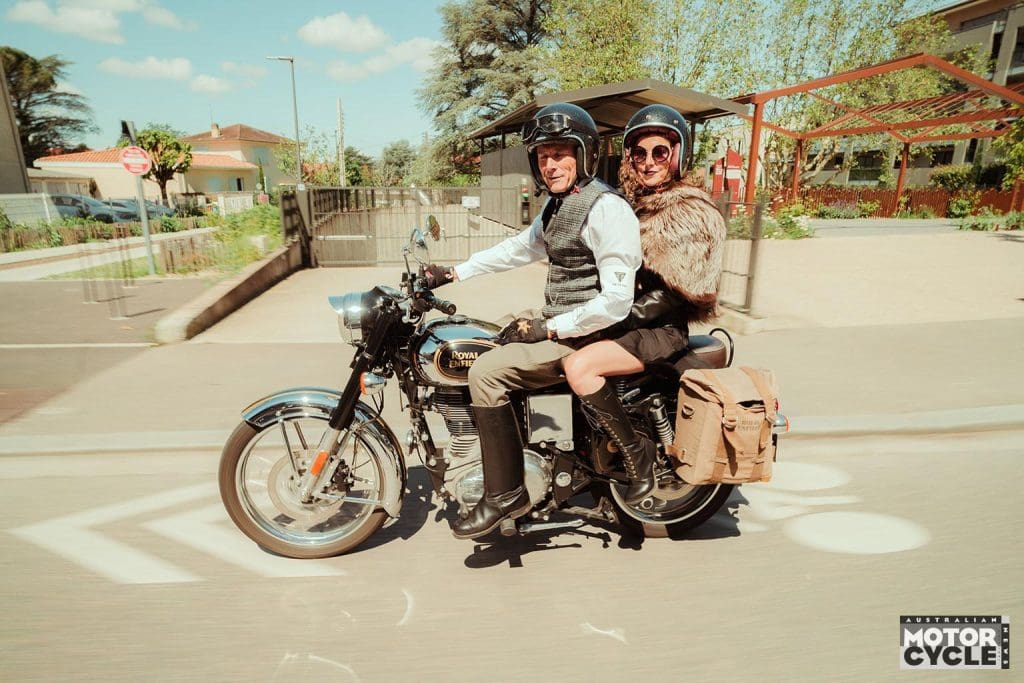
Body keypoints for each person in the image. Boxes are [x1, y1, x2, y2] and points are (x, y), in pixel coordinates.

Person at [423, 102, 642, 540]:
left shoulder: (606, 209)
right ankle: (514, 451)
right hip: (560, 320)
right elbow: (518, 248)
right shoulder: (559, 206)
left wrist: (548, 328)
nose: (550, 164)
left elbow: (617, 300)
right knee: (483, 335)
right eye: (543, 156)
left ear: (583, 154)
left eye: (560, 153)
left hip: (587, 334)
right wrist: (454, 272)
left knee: (485, 372)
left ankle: (505, 494)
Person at [560, 104, 726, 503]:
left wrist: (615, 319)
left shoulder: (689, 211)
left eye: (659, 152)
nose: (649, 162)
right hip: (629, 321)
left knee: (580, 365)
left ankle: (638, 458)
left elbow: (676, 290)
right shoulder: (629, 204)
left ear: (678, 155)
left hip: (658, 331)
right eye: (639, 153)